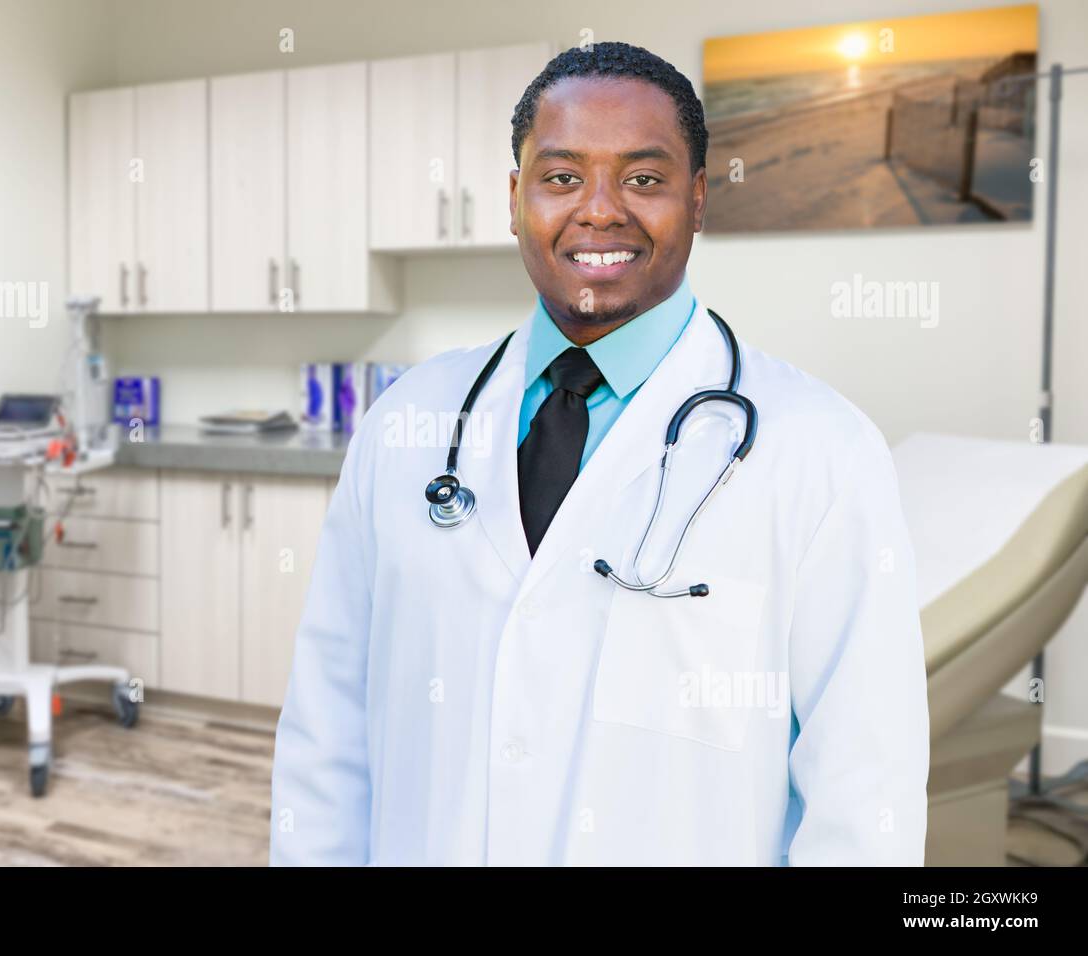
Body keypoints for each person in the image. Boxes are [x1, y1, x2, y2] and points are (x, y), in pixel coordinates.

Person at [269, 40, 929, 866]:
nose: (600, 210)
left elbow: (864, 793)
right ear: (515, 199)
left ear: (696, 200)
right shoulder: (405, 424)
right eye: (561, 176)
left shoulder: (823, 452)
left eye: (644, 180)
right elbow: (327, 727)